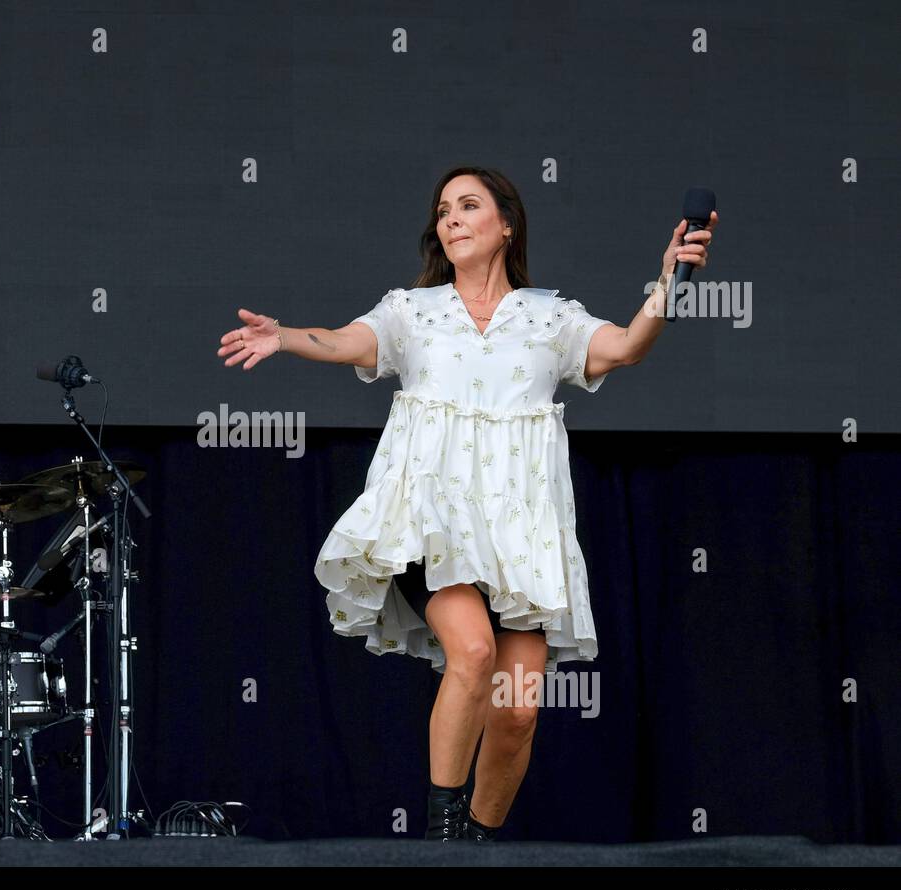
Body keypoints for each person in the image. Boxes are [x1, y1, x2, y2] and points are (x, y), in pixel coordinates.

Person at [217, 166, 716, 841]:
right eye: (443, 209)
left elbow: (626, 347)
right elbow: (343, 340)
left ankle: (477, 843)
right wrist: (286, 337)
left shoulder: (551, 319)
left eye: (469, 205)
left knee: (517, 710)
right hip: (430, 524)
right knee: (473, 653)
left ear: (505, 224)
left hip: (520, 540)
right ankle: (441, 840)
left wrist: (667, 282)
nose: (450, 218)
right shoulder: (412, 312)